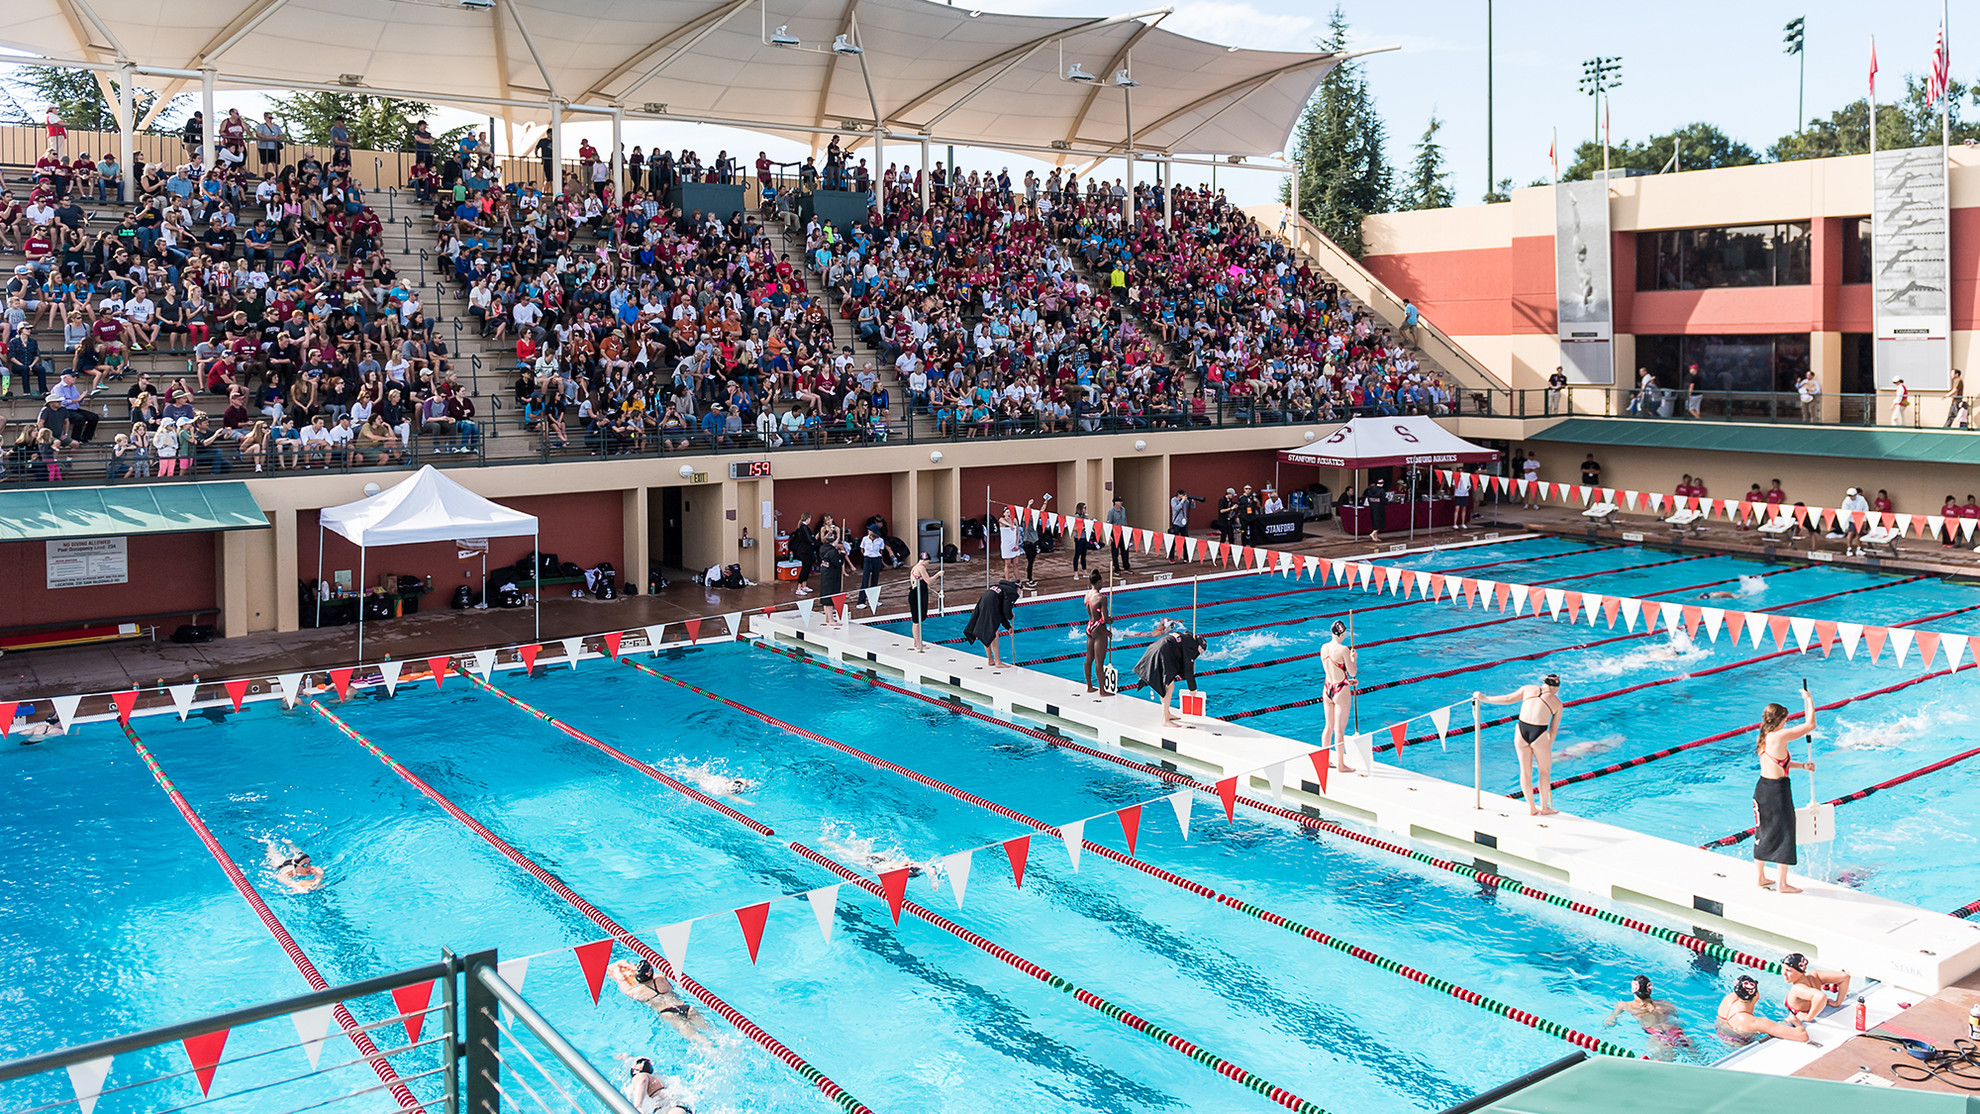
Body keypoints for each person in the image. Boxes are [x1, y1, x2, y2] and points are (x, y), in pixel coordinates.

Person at [1753, 685, 1817, 893]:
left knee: (1764, 831)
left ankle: (1761, 877)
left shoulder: (1764, 735)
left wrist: (1803, 766)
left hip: (1763, 789)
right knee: (1785, 832)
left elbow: (1778, 763)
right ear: (1780, 719)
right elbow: (1810, 725)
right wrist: (1808, 699)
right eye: (1786, 719)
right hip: (1777, 792)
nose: (1786, 723)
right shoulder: (1779, 736)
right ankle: (1782, 884)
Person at [1476, 675, 1563, 816]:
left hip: (1521, 732)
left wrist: (1484, 698)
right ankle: (1545, 808)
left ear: (1543, 683)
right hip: (1539, 734)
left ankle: (1531, 808)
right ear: (1556, 688)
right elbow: (1553, 730)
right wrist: (1547, 745)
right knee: (1544, 771)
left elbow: (1507, 699)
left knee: (1525, 771)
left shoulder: (1528, 689)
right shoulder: (1557, 703)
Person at [606, 960, 714, 1049]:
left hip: (669, 1014)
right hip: (686, 1008)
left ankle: (710, 1049)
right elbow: (653, 975)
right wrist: (632, 966)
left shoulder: (638, 993)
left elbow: (622, 983)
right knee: (713, 1032)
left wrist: (617, 970)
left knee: (698, 1040)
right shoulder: (661, 979)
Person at [1605, 975, 1690, 1060]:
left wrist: (1607, 1024)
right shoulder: (1665, 1003)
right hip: (1677, 1033)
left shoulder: (1625, 1005)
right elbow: (1678, 1019)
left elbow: (1610, 1021)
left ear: (1633, 989)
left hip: (1658, 1036)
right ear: (1650, 990)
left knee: (1656, 1064)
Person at [1134, 627, 1206, 728]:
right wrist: (1193, 689)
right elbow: (1188, 671)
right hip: (1162, 652)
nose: (1199, 654)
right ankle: (1165, 720)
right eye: (1201, 651)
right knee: (1169, 686)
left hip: (1155, 648)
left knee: (1164, 684)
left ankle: (1166, 714)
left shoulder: (1188, 638)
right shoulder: (1192, 648)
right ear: (1200, 647)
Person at [1716, 975, 1810, 1046]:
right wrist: (1796, 1022)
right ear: (1756, 994)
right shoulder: (1755, 1022)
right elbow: (1802, 1036)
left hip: (1720, 1035)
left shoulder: (1728, 999)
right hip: (1740, 1045)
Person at [1320, 619, 1356, 772]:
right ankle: (1341, 765)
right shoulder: (1343, 649)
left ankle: (1324, 760)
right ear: (1342, 633)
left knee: (1328, 726)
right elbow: (1352, 671)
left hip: (1327, 688)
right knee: (1339, 730)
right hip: (1340, 690)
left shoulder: (1324, 647)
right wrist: (1353, 658)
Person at [964, 580, 1019, 670]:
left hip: (983, 601)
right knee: (993, 632)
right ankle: (998, 662)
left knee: (986, 631)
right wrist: (1010, 615)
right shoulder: (1012, 592)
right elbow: (1005, 611)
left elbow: (1000, 611)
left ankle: (990, 659)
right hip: (990, 603)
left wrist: (1008, 627)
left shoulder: (1002, 587)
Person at [1781, 953, 1852, 1021]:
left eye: (1788, 970)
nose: (1783, 973)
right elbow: (1845, 977)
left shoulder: (1797, 988)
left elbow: (1821, 997)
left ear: (1800, 971)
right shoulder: (1815, 975)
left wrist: (1808, 1017)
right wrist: (1837, 1003)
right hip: (1801, 1002)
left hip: (1796, 1012)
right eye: (1782, 968)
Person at [619, 1057, 689, 1113]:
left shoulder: (640, 1075)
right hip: (677, 1106)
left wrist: (637, 1106)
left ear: (637, 1068)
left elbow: (642, 1080)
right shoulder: (658, 1078)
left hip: (669, 1108)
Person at [1080, 570, 1110, 694]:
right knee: (1099, 661)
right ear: (1098, 582)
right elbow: (1105, 619)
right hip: (1099, 630)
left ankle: (1089, 687)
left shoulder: (1087, 596)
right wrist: (1110, 621)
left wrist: (1106, 631)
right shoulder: (1102, 598)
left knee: (1089, 659)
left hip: (1090, 627)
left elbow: (1094, 615)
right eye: (1101, 582)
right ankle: (1102, 691)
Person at [907, 552, 933, 652]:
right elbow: (928, 580)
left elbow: (921, 583)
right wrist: (938, 574)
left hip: (915, 594)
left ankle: (917, 642)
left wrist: (931, 592)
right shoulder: (921, 568)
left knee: (916, 621)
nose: (928, 564)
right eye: (928, 562)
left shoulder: (915, 567)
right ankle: (918, 644)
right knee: (917, 621)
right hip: (917, 596)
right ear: (924, 560)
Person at [856, 523, 886, 604]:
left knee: (875, 579)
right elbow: (862, 549)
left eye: (869, 530)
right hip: (867, 559)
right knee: (865, 580)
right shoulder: (865, 539)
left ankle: (873, 600)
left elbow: (881, 550)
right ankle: (861, 601)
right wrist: (866, 555)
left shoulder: (880, 540)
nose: (868, 531)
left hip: (876, 559)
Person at [788, 512, 816, 596]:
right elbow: (808, 539)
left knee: (807, 568)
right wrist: (815, 541)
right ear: (808, 519)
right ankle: (799, 588)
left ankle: (804, 585)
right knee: (805, 568)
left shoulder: (803, 527)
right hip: (804, 551)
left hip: (806, 551)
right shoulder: (804, 527)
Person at [1838, 487, 1870, 556]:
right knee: (1851, 533)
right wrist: (1845, 524)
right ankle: (1849, 548)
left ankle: (1859, 548)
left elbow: (1865, 508)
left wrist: (1864, 519)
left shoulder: (1861, 499)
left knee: (1859, 534)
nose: (1852, 497)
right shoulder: (1846, 502)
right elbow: (1844, 513)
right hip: (1851, 520)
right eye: (1850, 496)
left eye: (1853, 496)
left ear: (1856, 494)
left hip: (1860, 519)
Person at [1106, 495, 1131, 573]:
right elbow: (1109, 524)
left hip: (1123, 532)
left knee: (1125, 550)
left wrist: (1127, 530)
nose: (1121, 503)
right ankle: (1116, 567)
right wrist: (1109, 535)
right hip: (1115, 533)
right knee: (1115, 551)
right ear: (1115, 503)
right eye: (1120, 501)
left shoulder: (1123, 510)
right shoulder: (1111, 512)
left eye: (1121, 501)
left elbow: (1125, 520)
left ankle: (1126, 566)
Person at [997, 504, 1022, 582]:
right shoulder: (1002, 520)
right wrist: (1010, 525)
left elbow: (1018, 533)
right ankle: (1007, 581)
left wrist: (1017, 544)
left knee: (1016, 564)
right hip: (1006, 545)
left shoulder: (1014, 520)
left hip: (1014, 544)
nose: (1008, 514)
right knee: (1007, 564)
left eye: (1010, 512)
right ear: (1004, 513)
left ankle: (1018, 581)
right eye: (1007, 512)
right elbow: (1001, 520)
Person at [1070, 501, 1092, 572]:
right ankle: (1075, 571)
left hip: (1085, 537)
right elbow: (1074, 528)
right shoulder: (1077, 517)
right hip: (1078, 538)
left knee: (1084, 555)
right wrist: (1083, 527)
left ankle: (1084, 570)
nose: (1085, 509)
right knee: (1077, 554)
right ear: (1080, 508)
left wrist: (1088, 519)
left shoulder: (1084, 517)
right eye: (1084, 508)